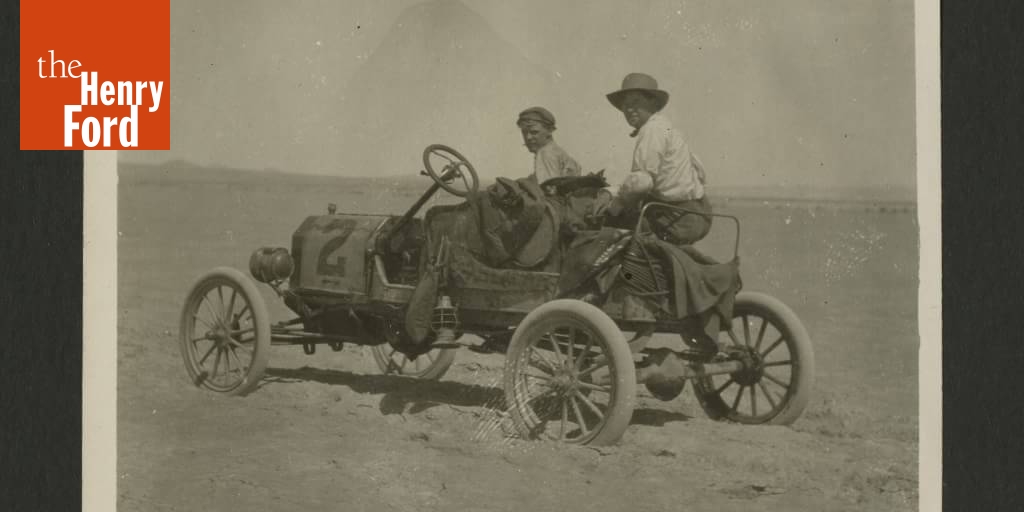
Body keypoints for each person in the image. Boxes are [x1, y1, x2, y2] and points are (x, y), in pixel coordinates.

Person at [599, 73, 712, 245]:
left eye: (636, 102)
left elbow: (641, 182)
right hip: (697, 213)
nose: (629, 109)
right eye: (625, 105)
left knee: (605, 228)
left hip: (676, 218)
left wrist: (614, 200)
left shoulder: (652, 130)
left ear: (653, 103)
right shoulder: (667, 127)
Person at [516, 107, 581, 190]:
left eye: (534, 132)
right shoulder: (557, 152)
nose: (528, 137)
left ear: (549, 131)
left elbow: (548, 191)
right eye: (524, 132)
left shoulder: (545, 153)